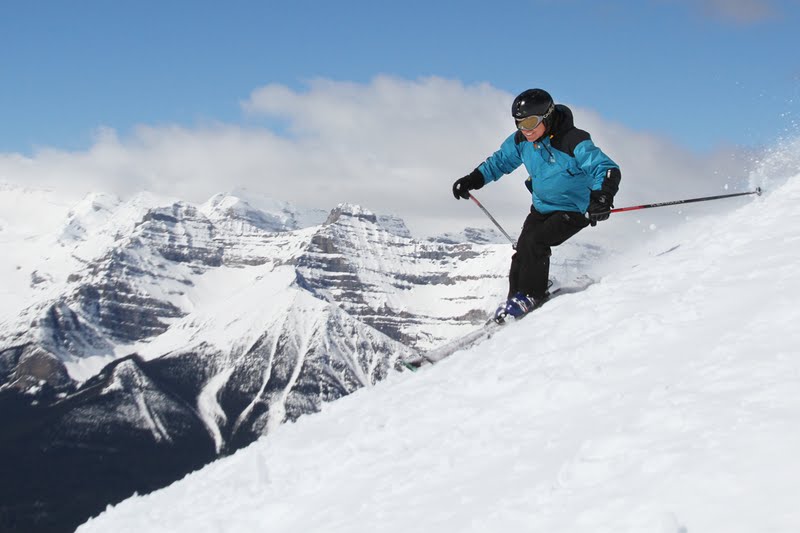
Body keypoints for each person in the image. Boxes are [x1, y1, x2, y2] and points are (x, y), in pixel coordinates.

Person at [452, 88, 621, 321]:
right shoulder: (522, 140)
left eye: (530, 122)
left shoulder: (573, 140)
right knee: (522, 250)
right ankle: (516, 299)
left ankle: (531, 295)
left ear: (548, 115)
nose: (525, 129)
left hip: (574, 210)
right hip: (542, 207)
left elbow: (606, 168)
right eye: (519, 123)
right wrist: (473, 179)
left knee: (535, 241)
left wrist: (602, 198)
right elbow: (499, 162)